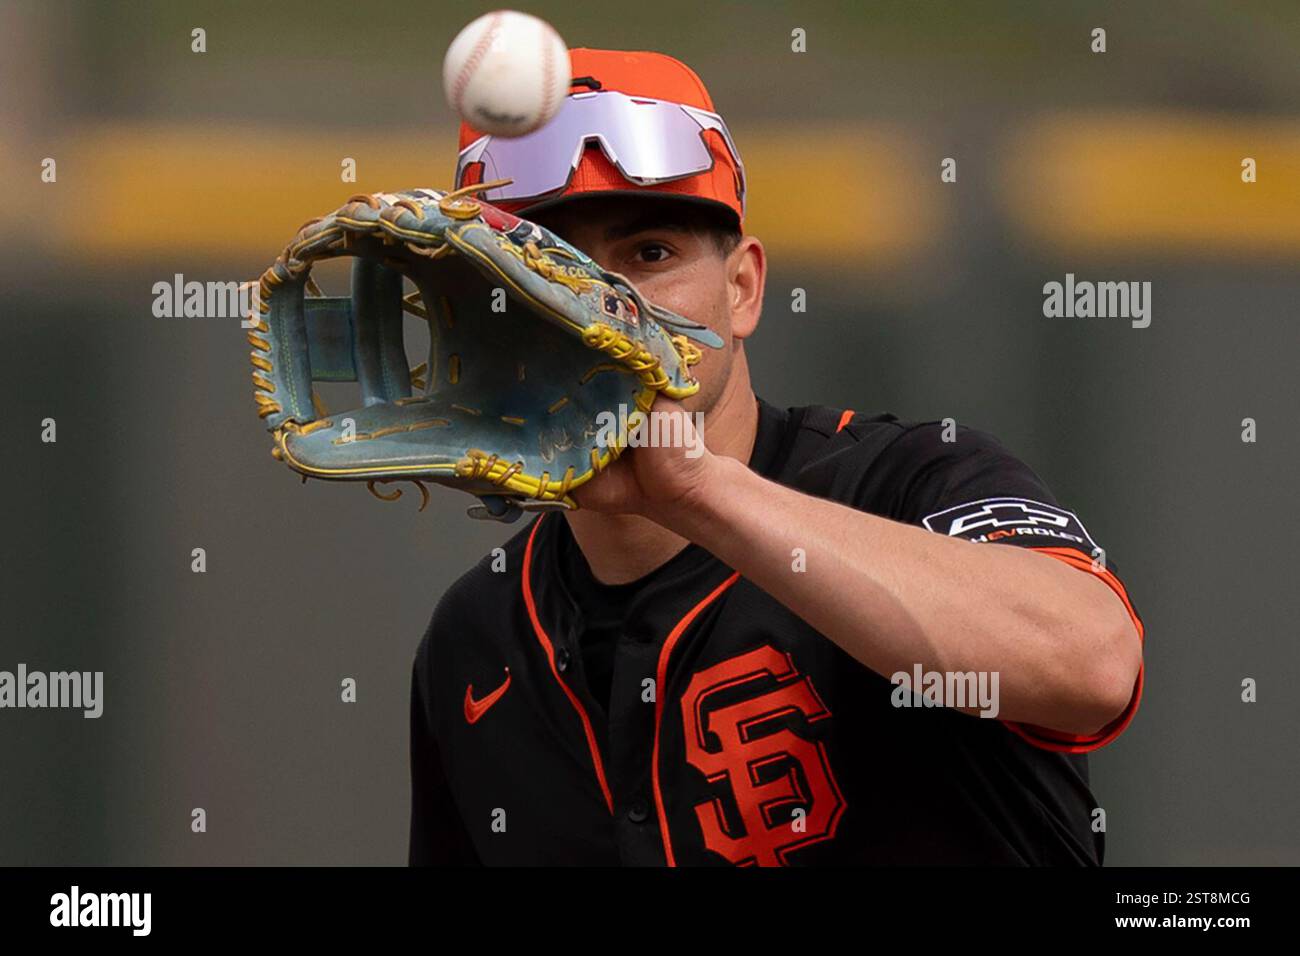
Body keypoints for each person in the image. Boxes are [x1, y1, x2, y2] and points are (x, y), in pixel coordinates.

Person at [409, 47, 1144, 866]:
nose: (595, 307)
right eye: (539, 268)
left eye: (650, 255)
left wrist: (694, 491)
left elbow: (1093, 664)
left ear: (743, 288)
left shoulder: (909, 478)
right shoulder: (475, 636)